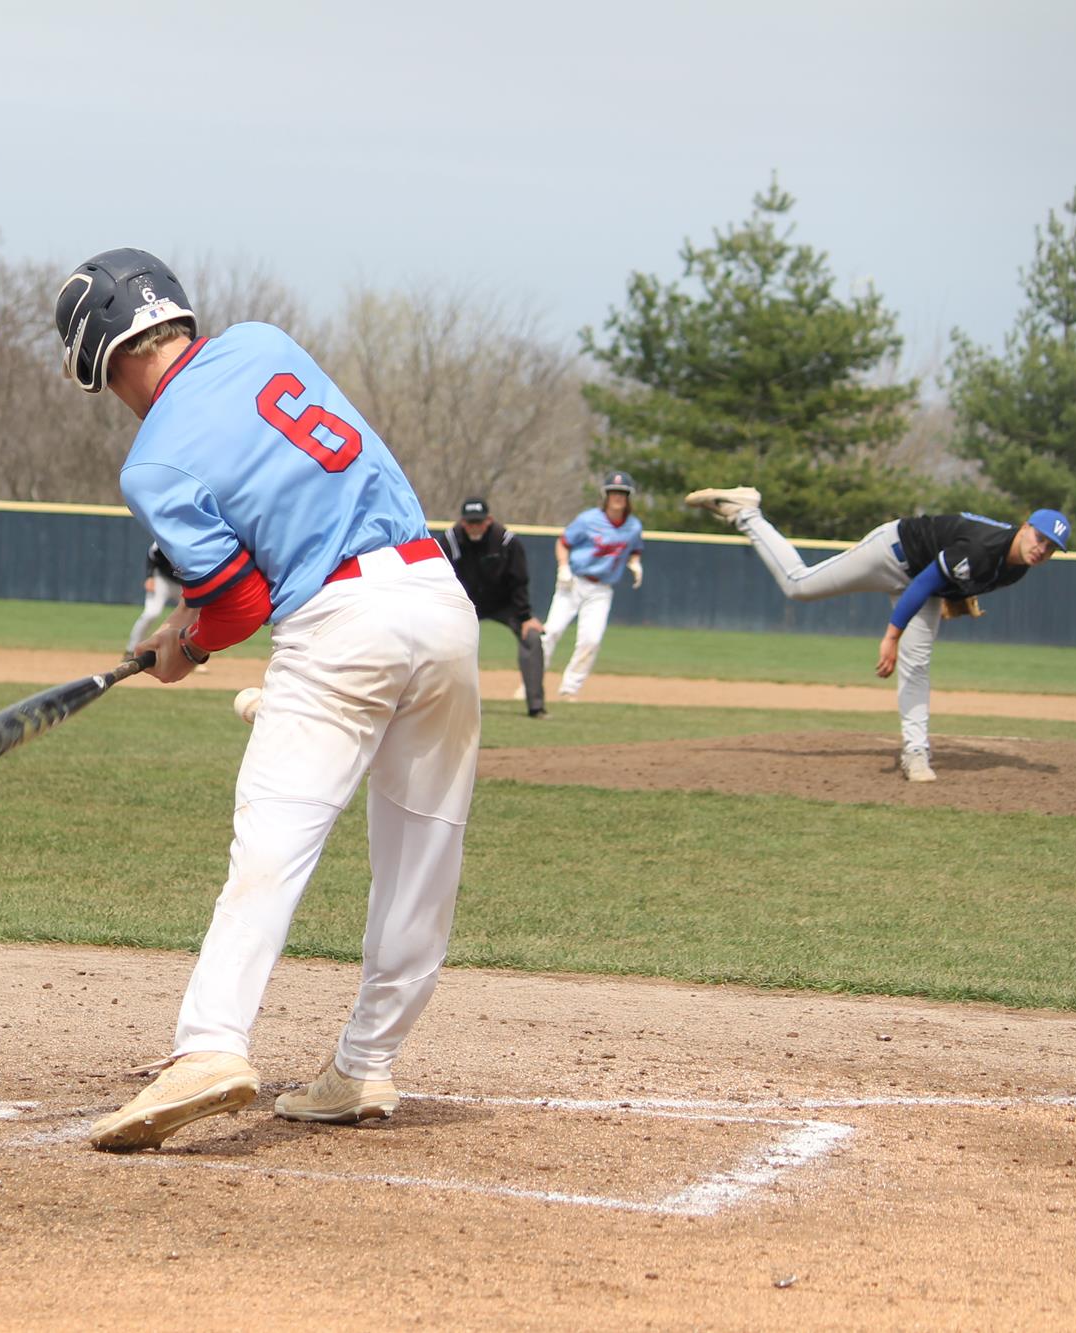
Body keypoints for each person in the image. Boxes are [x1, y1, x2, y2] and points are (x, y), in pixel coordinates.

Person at [55, 249, 480, 1150]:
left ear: (110, 354)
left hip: (337, 620)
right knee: (423, 846)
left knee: (273, 839)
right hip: (439, 599)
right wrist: (198, 624)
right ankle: (363, 1064)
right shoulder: (262, 341)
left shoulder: (153, 461)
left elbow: (241, 599)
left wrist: (188, 644)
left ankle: (210, 1045)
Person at [686, 485, 1070, 782]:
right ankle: (748, 512)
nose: (1043, 549)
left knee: (917, 665)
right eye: (1040, 538)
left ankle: (916, 752)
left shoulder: (1017, 568)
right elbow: (923, 583)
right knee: (799, 586)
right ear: (1026, 527)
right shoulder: (985, 547)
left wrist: (957, 594)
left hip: (922, 580)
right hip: (892, 553)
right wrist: (891, 636)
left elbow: (942, 583)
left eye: (1052, 548)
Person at [538, 471, 647, 700]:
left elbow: (634, 550)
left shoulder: (634, 527)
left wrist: (635, 564)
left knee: (591, 640)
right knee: (551, 632)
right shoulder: (588, 519)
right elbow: (563, 542)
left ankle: (569, 690)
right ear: (605, 495)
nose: (618, 497)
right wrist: (563, 567)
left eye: (623, 493)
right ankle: (531, 684)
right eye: (613, 492)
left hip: (601, 589)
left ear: (629, 497)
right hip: (574, 582)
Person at [437, 496, 547, 718]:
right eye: (469, 522)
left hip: (503, 604)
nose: (474, 527)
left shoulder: (506, 541)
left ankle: (536, 707)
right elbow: (440, 577)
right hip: (464, 604)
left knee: (532, 637)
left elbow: (519, 580)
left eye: (479, 522)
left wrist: (525, 617)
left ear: (489, 520)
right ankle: (447, 704)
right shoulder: (450, 540)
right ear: (462, 522)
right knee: (438, 641)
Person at [124, 541, 184, 655]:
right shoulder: (166, 538)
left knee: (193, 619)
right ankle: (130, 651)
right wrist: (149, 576)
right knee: (151, 613)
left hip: (184, 584)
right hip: (162, 579)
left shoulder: (195, 542)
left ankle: (189, 658)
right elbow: (151, 554)